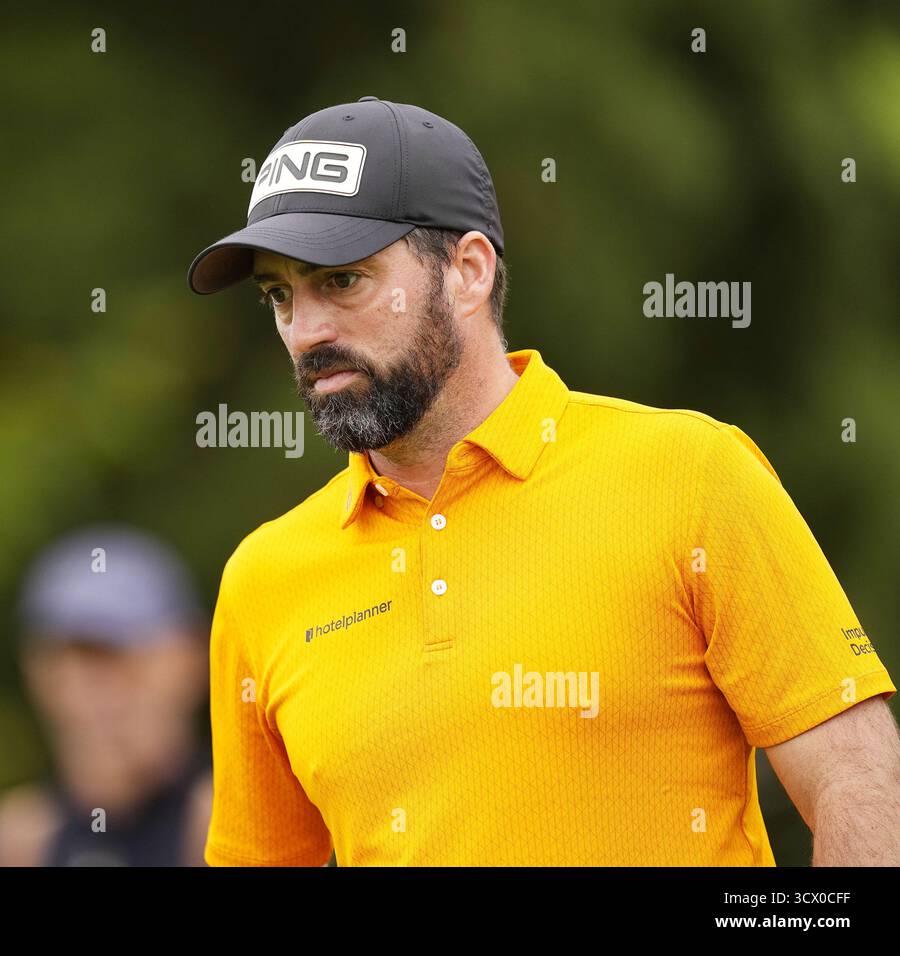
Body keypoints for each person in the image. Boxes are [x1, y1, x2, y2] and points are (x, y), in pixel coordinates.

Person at [185, 96, 900, 866]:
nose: (307, 330)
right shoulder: (264, 578)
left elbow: (858, 781)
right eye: (280, 295)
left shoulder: (689, 474)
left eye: (342, 281)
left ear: (466, 272)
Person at [0, 525, 212, 866]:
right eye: (76, 668)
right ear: (38, 676)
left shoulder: (260, 827)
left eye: (127, 663)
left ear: (191, 660)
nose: (103, 697)